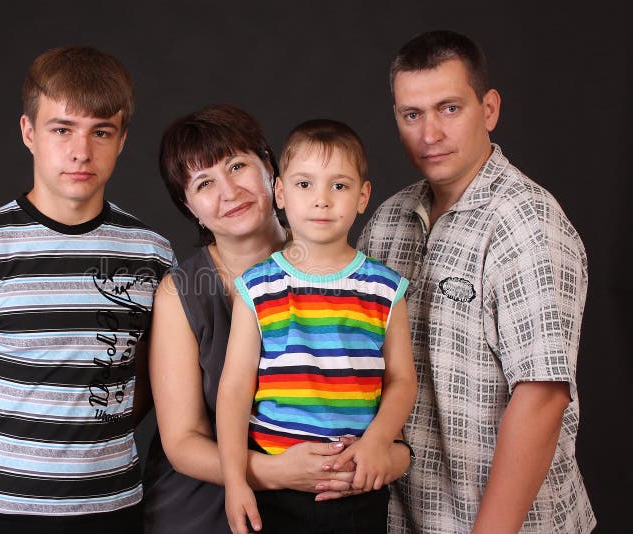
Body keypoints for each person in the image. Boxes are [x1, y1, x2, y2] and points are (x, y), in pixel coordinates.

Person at [0, 46, 173, 533]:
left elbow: (151, 381)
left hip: (112, 511)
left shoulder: (152, 256)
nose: (81, 151)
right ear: (29, 132)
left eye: (101, 132)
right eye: (62, 129)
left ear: (122, 140)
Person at [357, 30, 596, 533]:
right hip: (407, 515)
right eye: (411, 114)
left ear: (488, 109)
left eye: (449, 108)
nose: (429, 134)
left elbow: (542, 396)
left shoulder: (527, 222)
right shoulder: (387, 220)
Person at [143, 105, 414, 534]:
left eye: (237, 166)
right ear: (189, 205)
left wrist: (391, 452)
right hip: (206, 507)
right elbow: (182, 442)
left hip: (335, 497)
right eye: (205, 183)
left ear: (272, 172)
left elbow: (373, 395)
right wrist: (276, 473)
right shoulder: (182, 292)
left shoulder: (341, 258)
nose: (229, 191)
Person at [217, 119, 417, 534]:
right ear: (281, 193)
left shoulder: (385, 288)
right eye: (305, 185)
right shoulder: (257, 287)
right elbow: (235, 389)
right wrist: (235, 482)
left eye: (339, 186)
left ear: (363, 196)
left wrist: (379, 440)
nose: (322, 200)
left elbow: (402, 379)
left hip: (356, 483)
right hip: (277, 488)